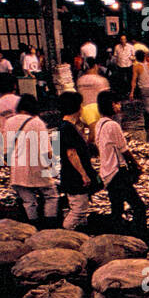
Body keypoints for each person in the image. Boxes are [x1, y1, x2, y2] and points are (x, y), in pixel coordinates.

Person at [94, 92, 148, 232]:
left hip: (106, 172)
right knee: (139, 207)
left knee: (116, 209)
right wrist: (137, 165)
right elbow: (124, 149)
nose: (119, 105)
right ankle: (139, 236)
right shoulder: (112, 125)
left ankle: (117, 236)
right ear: (111, 104)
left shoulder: (99, 124)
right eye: (117, 102)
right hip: (117, 172)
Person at [5, 94, 58, 227]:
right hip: (37, 166)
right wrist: (52, 167)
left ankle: (33, 226)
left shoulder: (9, 122)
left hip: (17, 166)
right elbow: (47, 149)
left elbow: (5, 148)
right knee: (51, 195)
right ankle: (50, 225)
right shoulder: (37, 122)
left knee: (29, 201)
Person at [52, 91, 95, 231]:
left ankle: (80, 234)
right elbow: (71, 153)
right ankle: (64, 234)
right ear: (77, 107)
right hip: (74, 176)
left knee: (80, 208)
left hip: (70, 174)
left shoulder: (64, 127)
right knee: (79, 210)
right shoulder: (67, 128)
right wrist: (83, 174)